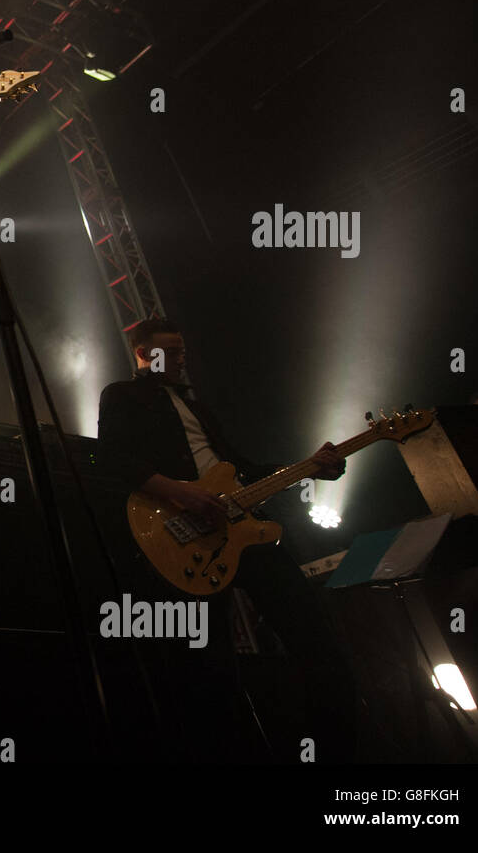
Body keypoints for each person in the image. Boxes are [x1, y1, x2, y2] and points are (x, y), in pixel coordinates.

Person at [97, 317, 356, 763]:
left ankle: (338, 746)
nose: (181, 359)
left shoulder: (197, 408)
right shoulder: (121, 395)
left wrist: (310, 465)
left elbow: (240, 468)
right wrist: (184, 494)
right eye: (171, 352)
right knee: (210, 665)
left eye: (182, 351)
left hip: (243, 529)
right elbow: (113, 458)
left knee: (314, 633)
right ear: (143, 354)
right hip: (182, 534)